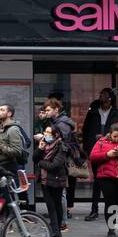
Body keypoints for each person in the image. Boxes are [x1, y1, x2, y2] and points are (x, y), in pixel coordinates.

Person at [82, 88, 118, 221]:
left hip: (114, 149)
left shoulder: (117, 113)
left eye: (104, 95)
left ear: (110, 98)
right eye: (100, 94)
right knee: (97, 180)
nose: (101, 97)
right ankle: (94, 210)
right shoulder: (94, 111)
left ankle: (115, 211)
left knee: (113, 181)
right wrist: (87, 147)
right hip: (96, 148)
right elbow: (86, 129)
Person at [39, 97, 77, 226]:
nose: (47, 112)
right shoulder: (55, 121)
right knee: (58, 193)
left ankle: (62, 222)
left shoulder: (61, 124)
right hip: (56, 160)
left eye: (49, 110)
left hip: (59, 161)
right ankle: (58, 220)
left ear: (56, 109)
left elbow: (62, 142)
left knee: (60, 193)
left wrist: (44, 138)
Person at [32, 123, 69, 237]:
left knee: (56, 205)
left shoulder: (61, 146)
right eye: (45, 132)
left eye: (48, 133)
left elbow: (55, 165)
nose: (45, 135)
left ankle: (55, 231)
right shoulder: (44, 144)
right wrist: (40, 149)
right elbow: (34, 158)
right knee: (51, 206)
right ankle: (56, 231)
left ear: (56, 134)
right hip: (45, 180)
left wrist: (40, 163)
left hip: (57, 180)